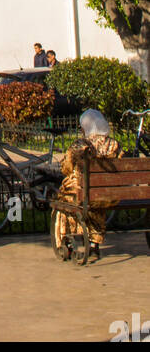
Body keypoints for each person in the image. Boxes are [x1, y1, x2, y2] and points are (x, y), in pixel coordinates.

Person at [53, 108, 122, 259]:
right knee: (96, 202)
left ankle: (66, 242)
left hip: (84, 193)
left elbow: (66, 168)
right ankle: (93, 244)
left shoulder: (80, 145)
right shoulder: (115, 145)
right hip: (110, 195)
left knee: (64, 202)